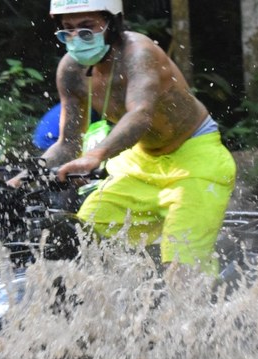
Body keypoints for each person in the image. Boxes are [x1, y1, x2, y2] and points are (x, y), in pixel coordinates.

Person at [39, 0, 236, 275]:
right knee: (82, 237)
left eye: (86, 28)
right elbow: (68, 143)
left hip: (195, 156)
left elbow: (141, 114)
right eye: (67, 30)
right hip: (140, 160)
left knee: (183, 271)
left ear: (112, 24)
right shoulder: (71, 72)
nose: (76, 38)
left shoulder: (138, 53)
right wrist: (32, 171)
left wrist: (95, 155)